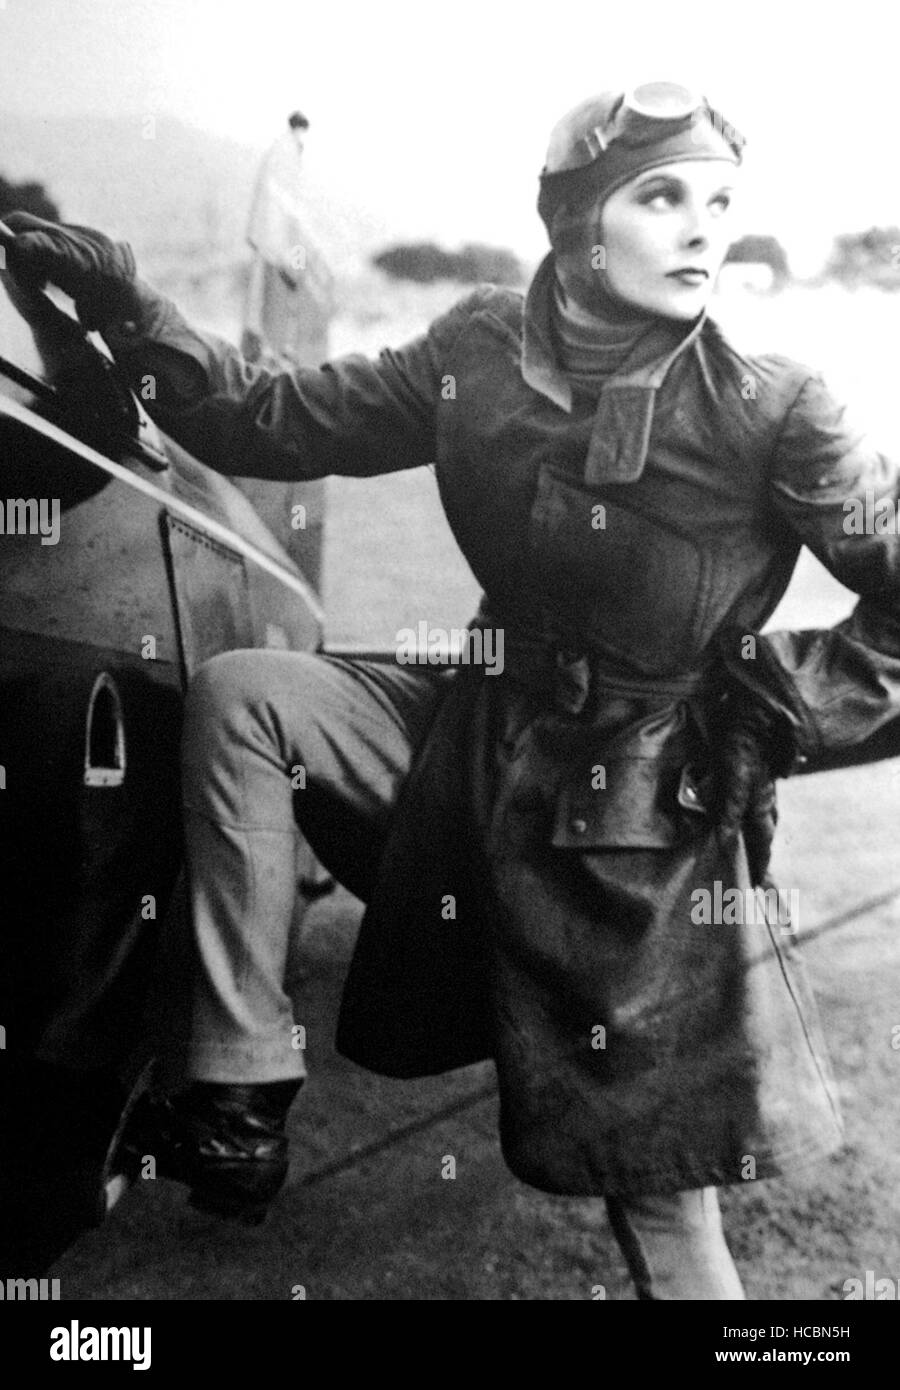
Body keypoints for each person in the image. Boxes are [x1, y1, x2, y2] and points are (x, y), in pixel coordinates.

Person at [7, 79, 900, 1300]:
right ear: (576, 222)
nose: (706, 228)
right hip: (469, 739)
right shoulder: (474, 346)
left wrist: (769, 701)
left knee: (660, 1196)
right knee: (249, 697)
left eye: (722, 202)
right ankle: (236, 1092)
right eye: (663, 198)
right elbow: (270, 419)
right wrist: (134, 306)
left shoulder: (779, 405)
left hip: (642, 816)